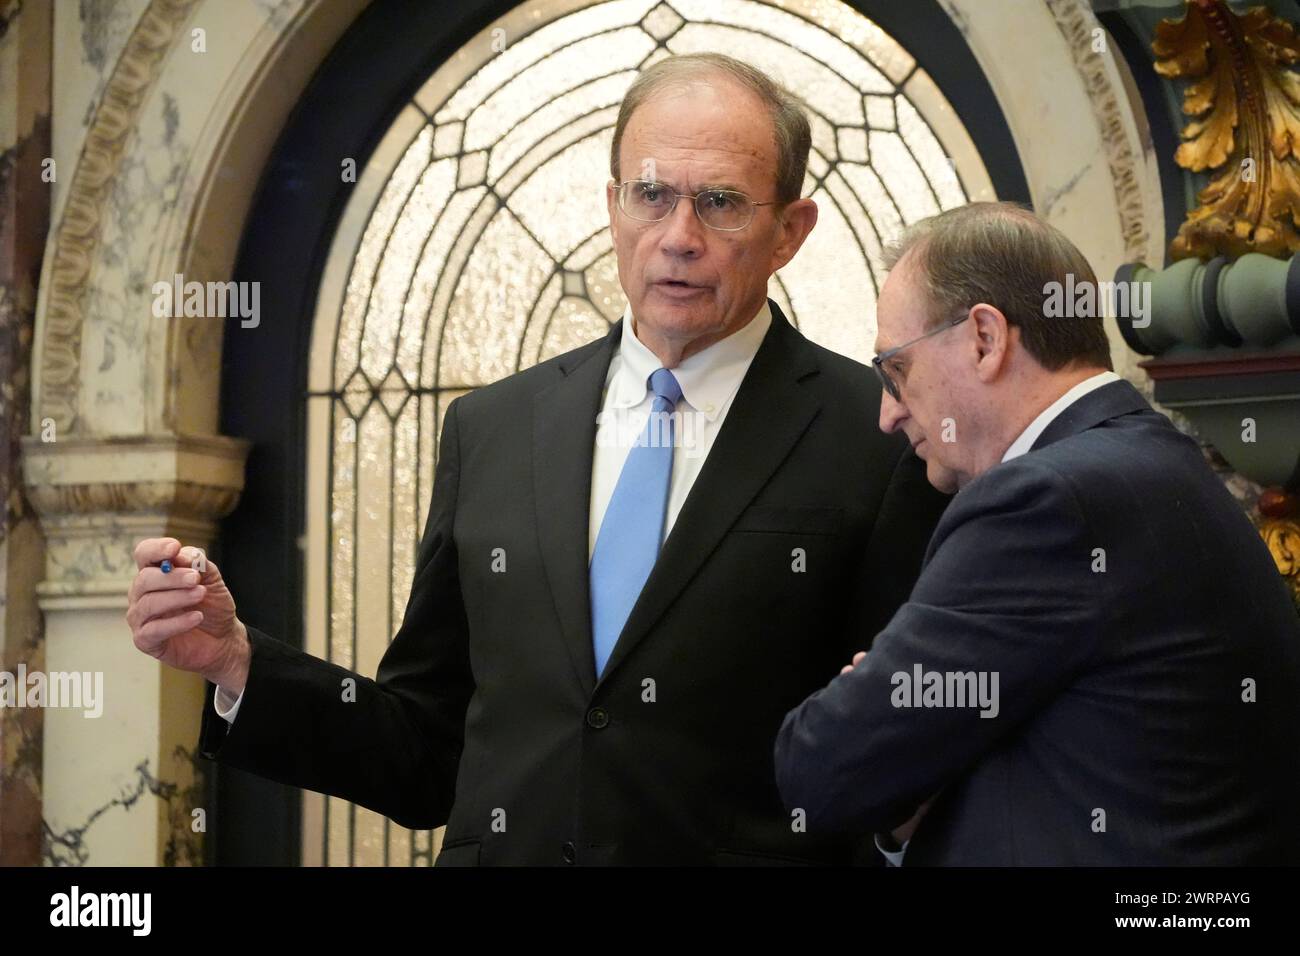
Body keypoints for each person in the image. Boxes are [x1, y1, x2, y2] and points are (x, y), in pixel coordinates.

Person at [126, 53, 948, 866]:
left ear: (790, 233)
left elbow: (905, 758)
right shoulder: (492, 428)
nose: (679, 238)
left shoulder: (878, 437)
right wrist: (239, 662)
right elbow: (427, 750)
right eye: (651, 195)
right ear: (612, 206)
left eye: (722, 203)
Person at [775, 202, 1300, 865]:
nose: (887, 413)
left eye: (896, 370)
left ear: (985, 339)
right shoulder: (1153, 463)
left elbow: (821, 769)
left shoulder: (1044, 503)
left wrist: (886, 732)